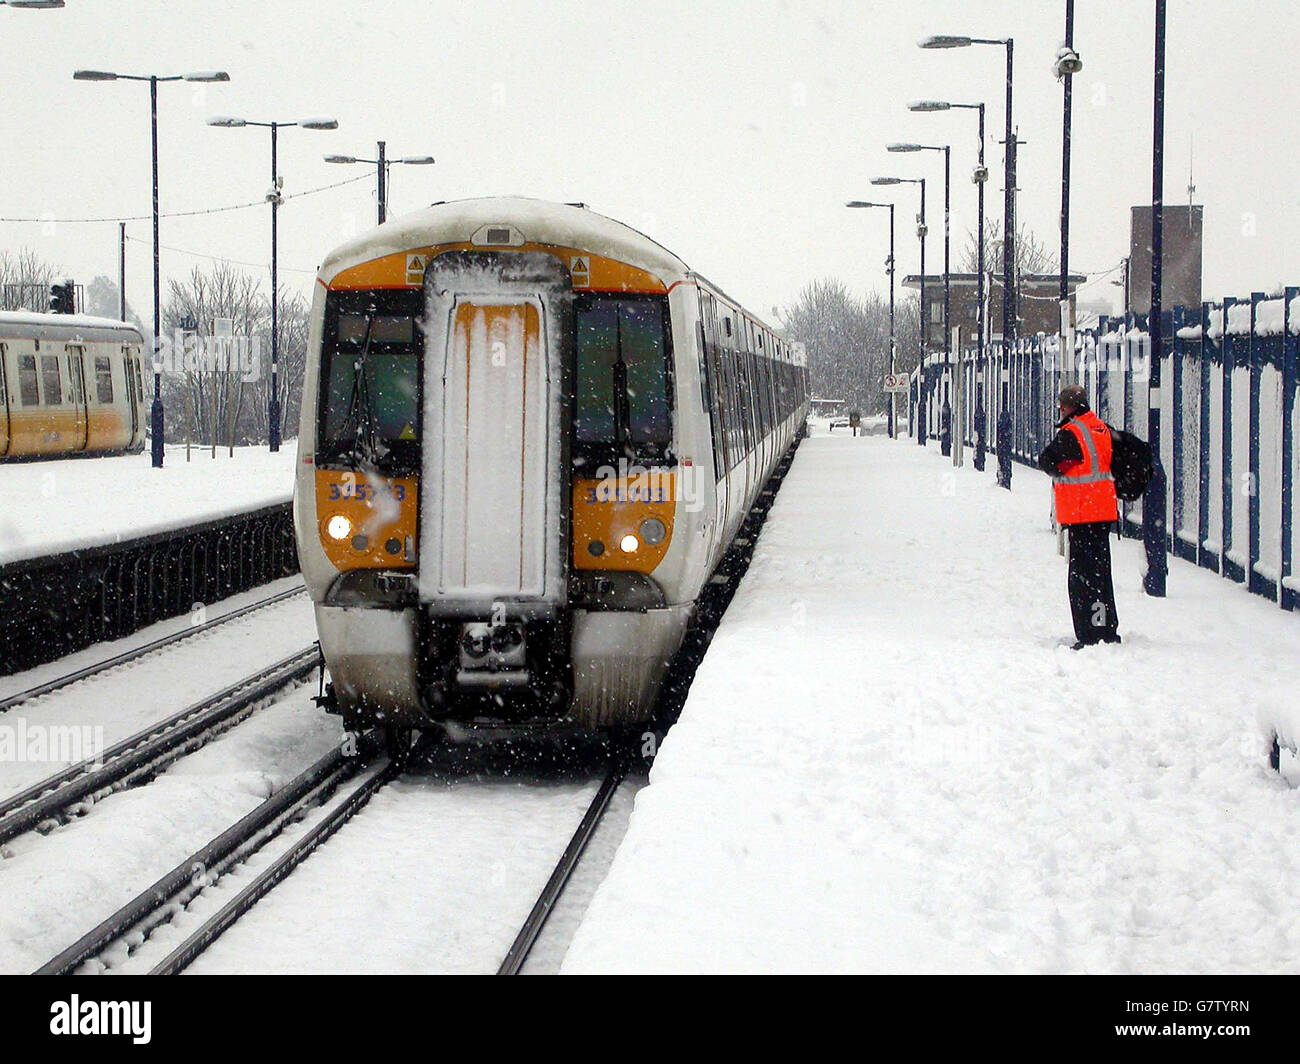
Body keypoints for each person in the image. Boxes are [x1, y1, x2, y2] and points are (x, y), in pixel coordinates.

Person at [1037, 384, 1121, 648]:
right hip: (1102, 512)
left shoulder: (1072, 433)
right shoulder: (1101, 429)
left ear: (1066, 407)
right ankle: (1106, 628)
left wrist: (1063, 468)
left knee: (1082, 578)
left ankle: (1089, 634)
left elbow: (1047, 460)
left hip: (1082, 513)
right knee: (1101, 575)